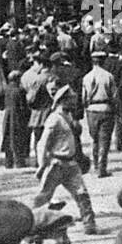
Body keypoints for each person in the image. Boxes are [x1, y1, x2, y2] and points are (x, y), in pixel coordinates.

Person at [33, 85, 97, 234]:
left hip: (71, 164)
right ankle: (33, 227)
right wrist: (42, 165)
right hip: (56, 165)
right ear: (63, 100)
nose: (75, 101)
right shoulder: (54, 119)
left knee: (82, 195)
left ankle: (89, 225)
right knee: (43, 198)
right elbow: (42, 143)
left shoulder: (68, 116)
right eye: (71, 99)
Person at [81, 49, 118, 177]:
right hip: (106, 108)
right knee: (104, 139)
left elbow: (84, 98)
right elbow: (114, 96)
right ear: (103, 61)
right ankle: (102, 168)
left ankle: (95, 165)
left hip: (92, 110)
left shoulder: (86, 77)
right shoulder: (108, 76)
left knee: (94, 139)